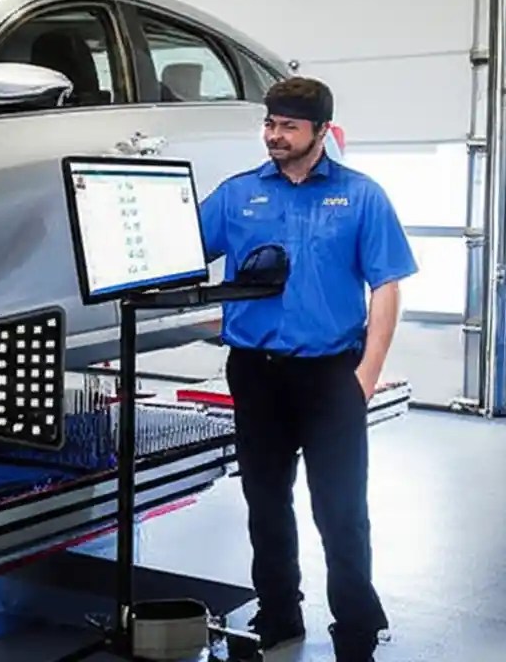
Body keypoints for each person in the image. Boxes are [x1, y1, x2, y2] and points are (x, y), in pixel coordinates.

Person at [197, 76, 417, 662]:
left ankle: (356, 629)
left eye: (289, 126)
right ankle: (279, 614)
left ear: (322, 132)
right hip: (256, 373)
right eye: (270, 124)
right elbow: (180, 249)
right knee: (266, 503)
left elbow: (387, 285)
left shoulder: (361, 196)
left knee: (341, 510)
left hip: (330, 377)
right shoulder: (238, 194)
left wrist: (367, 374)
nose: (274, 136)